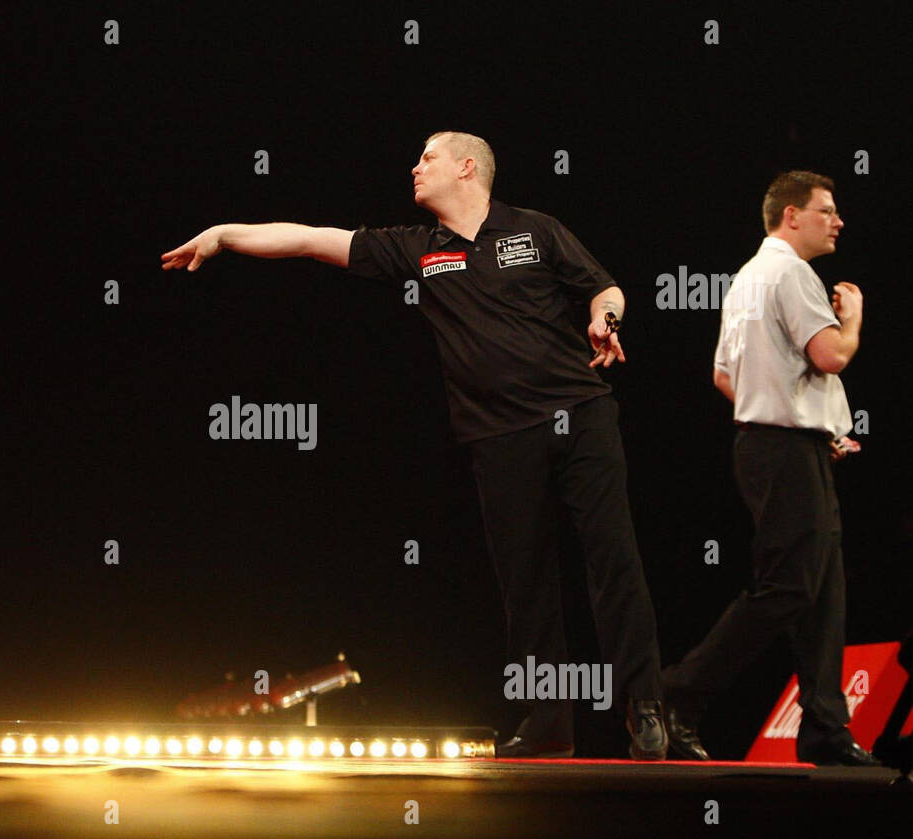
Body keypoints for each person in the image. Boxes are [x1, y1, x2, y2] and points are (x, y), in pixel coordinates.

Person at [163, 131, 668, 759]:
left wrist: (605, 318)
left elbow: (604, 286)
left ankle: (644, 706)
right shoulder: (418, 250)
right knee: (526, 583)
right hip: (499, 437)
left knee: (612, 563)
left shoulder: (535, 229)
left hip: (581, 416)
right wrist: (225, 233)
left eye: (426, 157)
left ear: (466, 168)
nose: (414, 167)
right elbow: (312, 239)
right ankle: (548, 723)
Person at [662, 171, 876, 766]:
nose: (837, 221)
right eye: (826, 211)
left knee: (823, 591)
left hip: (773, 445)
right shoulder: (791, 272)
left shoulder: (747, 280)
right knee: (789, 589)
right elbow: (831, 354)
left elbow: (724, 376)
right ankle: (675, 692)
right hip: (783, 450)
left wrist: (793, 414)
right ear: (790, 216)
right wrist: (853, 316)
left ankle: (826, 727)